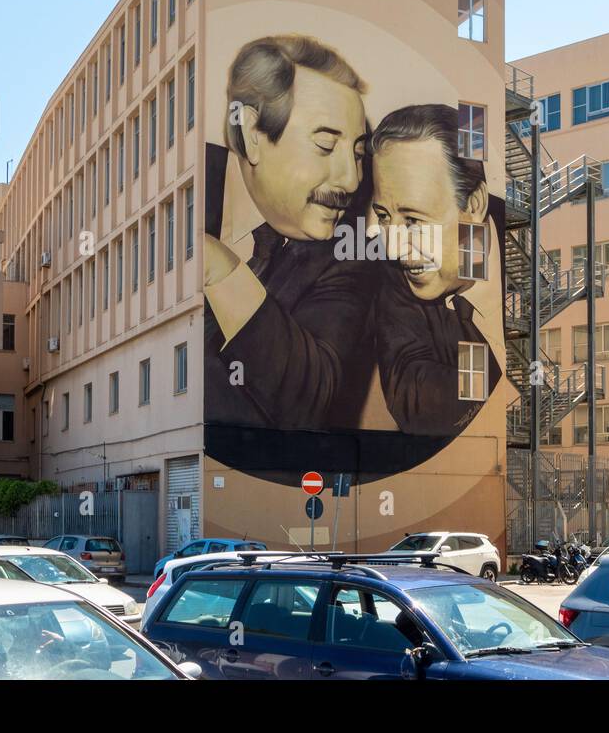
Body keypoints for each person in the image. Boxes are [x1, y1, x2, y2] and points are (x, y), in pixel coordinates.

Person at [202, 35, 378, 430]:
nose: (350, 180)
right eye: (325, 144)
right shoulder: (178, 188)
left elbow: (313, 398)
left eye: (358, 153)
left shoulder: (349, 254)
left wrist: (224, 272)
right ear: (251, 135)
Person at [366, 104, 503, 436]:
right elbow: (418, 404)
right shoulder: (394, 280)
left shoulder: (523, 243)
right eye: (384, 217)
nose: (395, 248)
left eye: (413, 221)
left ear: (473, 205)